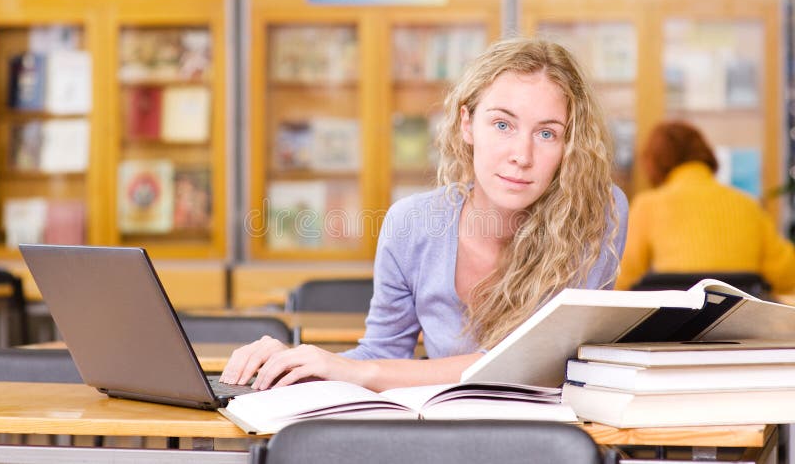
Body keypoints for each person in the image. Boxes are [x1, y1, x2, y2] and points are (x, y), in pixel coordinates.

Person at [221, 37, 629, 392]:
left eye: (547, 134)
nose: (522, 155)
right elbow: (382, 353)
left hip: (544, 443)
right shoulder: (411, 223)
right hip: (439, 436)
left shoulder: (594, 212)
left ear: (569, 145)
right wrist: (297, 365)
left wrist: (357, 371)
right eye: (503, 125)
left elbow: (528, 364)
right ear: (467, 125)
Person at [615, 120, 795, 291]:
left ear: (653, 163)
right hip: (740, 321)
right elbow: (788, 275)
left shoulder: (648, 206)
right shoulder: (748, 205)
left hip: (673, 321)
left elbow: (620, 280)